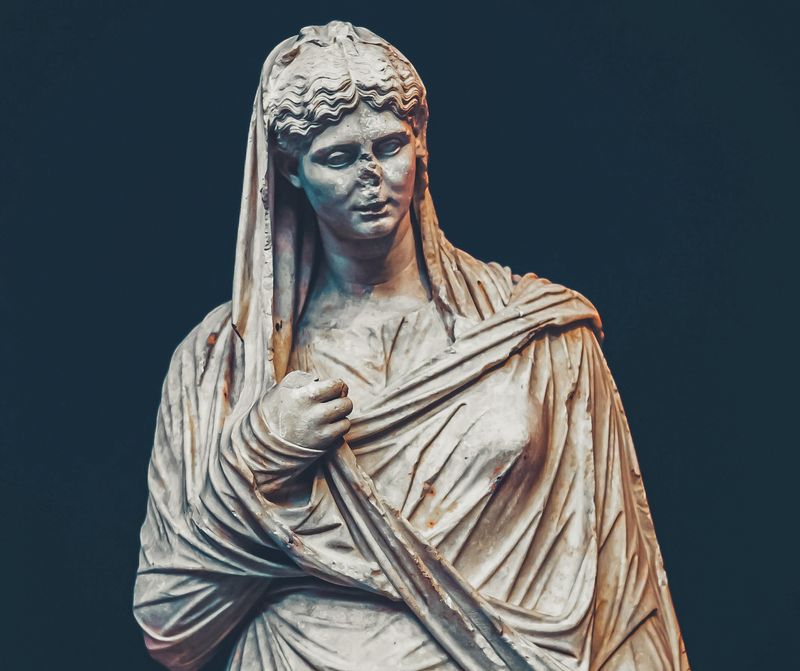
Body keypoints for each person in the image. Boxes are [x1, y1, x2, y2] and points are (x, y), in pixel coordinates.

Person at [134, 21, 689, 671]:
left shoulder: (538, 336)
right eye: (339, 157)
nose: (373, 176)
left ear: (420, 140)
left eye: (390, 145)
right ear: (289, 169)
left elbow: (624, 598)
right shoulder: (219, 363)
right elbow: (170, 624)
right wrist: (257, 459)